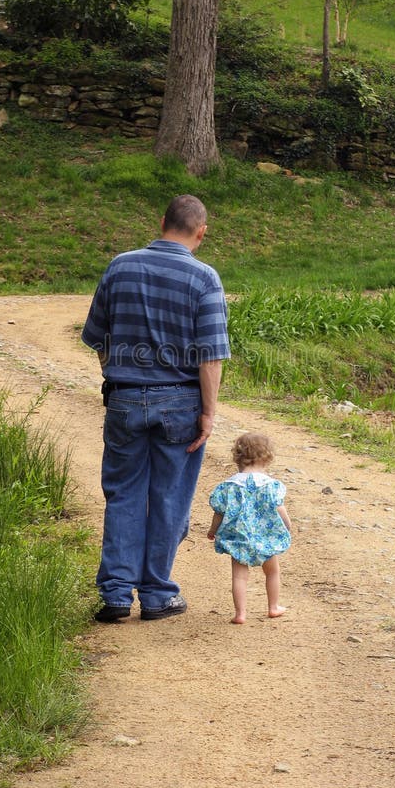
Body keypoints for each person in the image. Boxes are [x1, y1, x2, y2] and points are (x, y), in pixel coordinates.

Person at [82, 194, 230, 622]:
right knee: (169, 498)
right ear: (201, 233)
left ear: (162, 221)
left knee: (123, 494)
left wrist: (118, 376)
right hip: (181, 402)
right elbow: (211, 356)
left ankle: (114, 594)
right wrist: (208, 412)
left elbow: (98, 336)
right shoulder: (204, 278)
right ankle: (157, 594)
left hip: (125, 397)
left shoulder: (120, 265)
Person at [207, 433, 292, 624]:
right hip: (267, 538)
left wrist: (213, 530)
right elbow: (280, 509)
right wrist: (287, 526)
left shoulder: (228, 486)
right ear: (268, 457)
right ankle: (273, 607)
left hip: (239, 538)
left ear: (237, 457)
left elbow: (219, 513)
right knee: (272, 572)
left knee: (239, 576)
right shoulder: (271, 486)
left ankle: (240, 613)